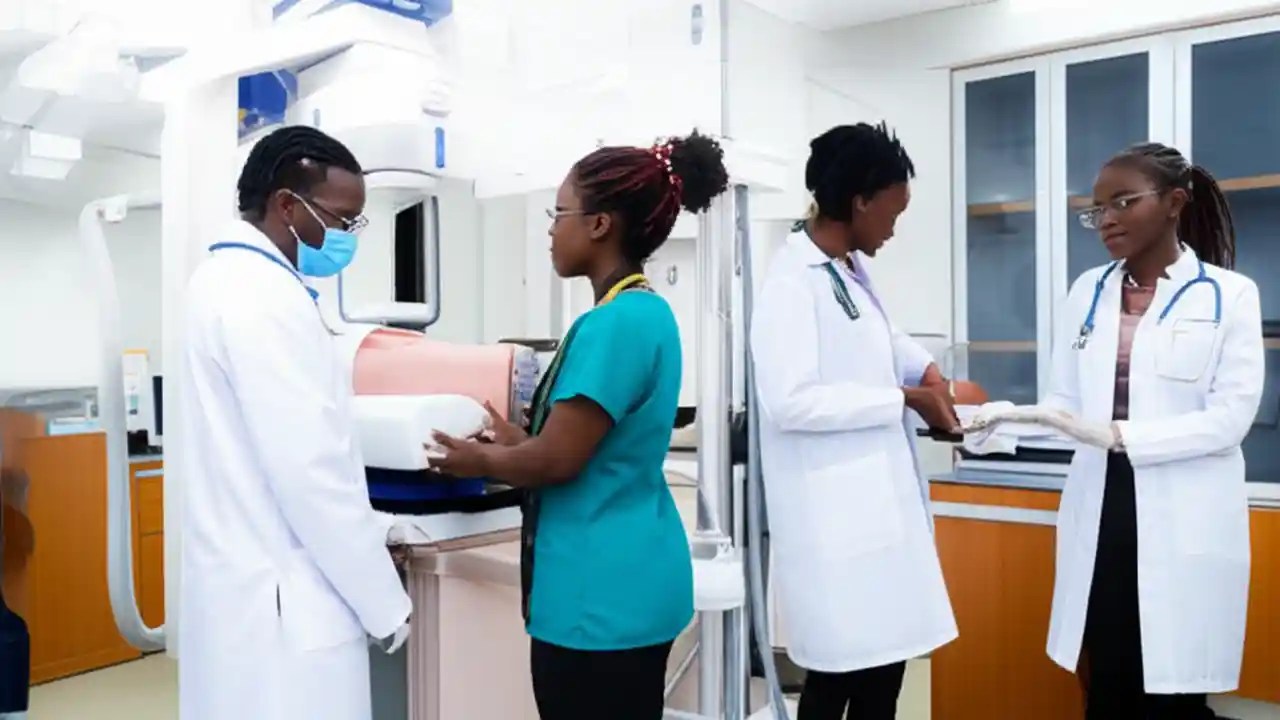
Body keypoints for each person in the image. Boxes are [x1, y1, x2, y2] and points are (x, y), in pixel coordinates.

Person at [429, 131, 728, 720]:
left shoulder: (615, 325)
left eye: (558, 213)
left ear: (600, 225)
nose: (550, 229)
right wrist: (521, 440)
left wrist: (476, 460)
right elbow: (585, 444)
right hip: (629, 581)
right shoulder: (640, 313)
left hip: (601, 598)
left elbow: (559, 462)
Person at [970, 142, 1263, 719]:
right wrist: (998, 424)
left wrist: (1124, 437)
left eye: (1123, 202)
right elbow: (1065, 406)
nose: (1105, 220)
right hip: (1102, 509)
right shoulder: (1089, 290)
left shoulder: (1229, 295)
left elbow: (1229, 421)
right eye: (1097, 208)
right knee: (1106, 678)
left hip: (1184, 512)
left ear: (1175, 202)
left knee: (1172, 692)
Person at [178, 126, 412, 720]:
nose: (347, 237)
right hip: (284, 609)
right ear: (287, 205)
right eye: (342, 220)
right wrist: (386, 602)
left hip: (243, 594)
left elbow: (263, 455)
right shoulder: (263, 297)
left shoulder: (222, 282)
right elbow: (308, 473)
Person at [750, 123, 959, 720]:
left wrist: (927, 371)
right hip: (834, 526)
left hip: (873, 518)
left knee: (880, 678)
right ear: (861, 200)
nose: (895, 226)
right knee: (838, 683)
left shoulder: (843, 269)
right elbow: (791, 401)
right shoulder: (791, 282)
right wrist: (905, 400)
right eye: (893, 210)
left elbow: (882, 336)